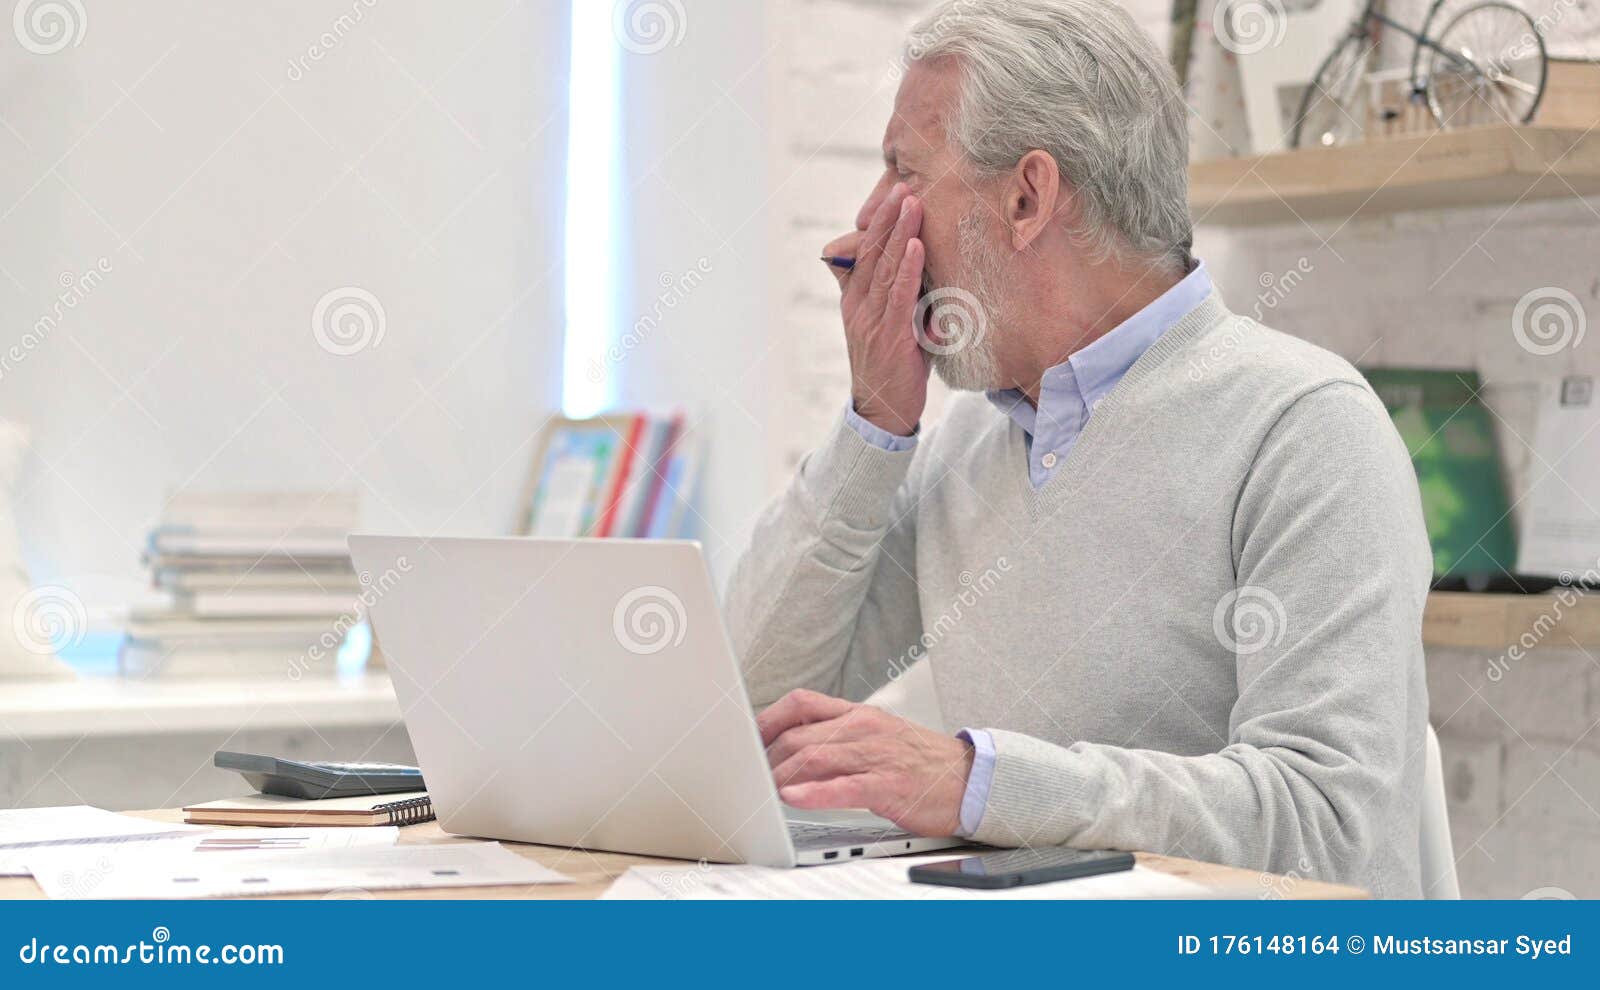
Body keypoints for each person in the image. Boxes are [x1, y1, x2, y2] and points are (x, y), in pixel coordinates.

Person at [723, 0, 1432, 897]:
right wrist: (876, 426)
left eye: (903, 173)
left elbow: (1327, 831)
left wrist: (980, 782)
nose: (869, 224)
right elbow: (746, 704)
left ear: (1027, 196)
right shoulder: (970, 448)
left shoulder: (1307, 428)